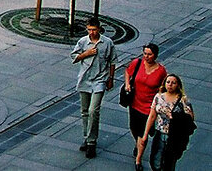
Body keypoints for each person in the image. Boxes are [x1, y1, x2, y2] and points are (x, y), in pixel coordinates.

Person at [71, 16, 116, 159]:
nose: (92, 32)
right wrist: (86, 53)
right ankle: (86, 136)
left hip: (100, 79)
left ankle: (92, 142)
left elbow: (112, 61)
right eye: (89, 30)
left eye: (94, 30)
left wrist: (110, 78)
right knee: (84, 111)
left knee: (93, 110)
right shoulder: (83, 42)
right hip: (85, 79)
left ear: (99, 28)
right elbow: (74, 57)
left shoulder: (107, 43)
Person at [123, 42, 167, 171]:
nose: (146, 57)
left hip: (149, 107)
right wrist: (127, 84)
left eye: (149, 54)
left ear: (155, 55)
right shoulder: (137, 63)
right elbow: (128, 72)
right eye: (145, 54)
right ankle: (138, 144)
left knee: (144, 133)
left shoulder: (161, 71)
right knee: (133, 128)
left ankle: (138, 160)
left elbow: (163, 86)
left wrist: (160, 97)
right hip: (135, 103)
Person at [140, 74, 194, 171]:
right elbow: (152, 116)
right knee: (155, 160)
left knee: (169, 161)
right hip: (160, 132)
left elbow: (190, 118)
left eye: (173, 83)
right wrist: (145, 134)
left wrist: (174, 117)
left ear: (178, 85)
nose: (170, 85)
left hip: (174, 135)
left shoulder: (182, 100)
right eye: (168, 82)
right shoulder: (158, 97)